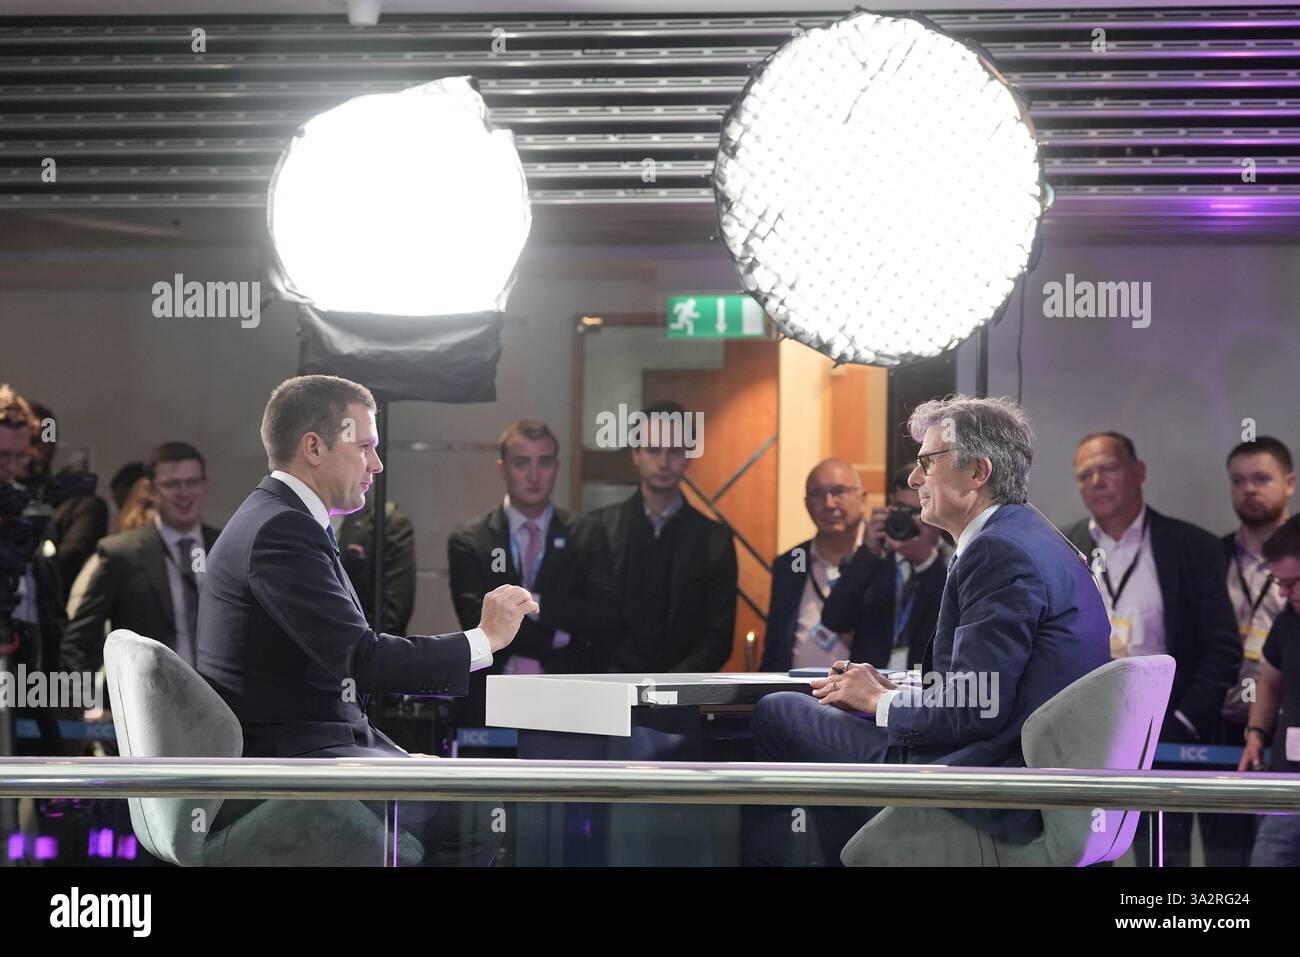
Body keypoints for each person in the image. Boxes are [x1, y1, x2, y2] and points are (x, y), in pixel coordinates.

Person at [745, 395, 1109, 866]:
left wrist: (880, 701)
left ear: (978, 472)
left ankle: (867, 851)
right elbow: (990, 687)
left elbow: (976, 709)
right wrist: (897, 691)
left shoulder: (998, 551)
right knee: (813, 693)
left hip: (985, 775)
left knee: (778, 712)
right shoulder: (1030, 534)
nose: (914, 480)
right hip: (1007, 759)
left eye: (926, 463)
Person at [197, 374, 535, 864]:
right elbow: (364, 659)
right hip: (288, 764)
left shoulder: (277, 515)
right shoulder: (280, 528)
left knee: (464, 798)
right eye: (366, 447)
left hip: (311, 750)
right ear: (314, 446)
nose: (377, 464)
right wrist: (484, 639)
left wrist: (397, 761)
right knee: (473, 810)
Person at [1064, 431, 1241, 866]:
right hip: (1090, 735)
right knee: (1086, 850)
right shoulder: (1063, 549)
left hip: (1175, 732)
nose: (1096, 481)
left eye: (1108, 468)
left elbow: (1222, 648)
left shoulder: (1192, 547)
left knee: (1169, 854)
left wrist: (1182, 722)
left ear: (1139, 472)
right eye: (1085, 475)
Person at [448, 419, 618, 726]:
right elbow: (478, 622)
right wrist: (560, 635)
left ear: (557, 467)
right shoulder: (470, 539)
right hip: (490, 699)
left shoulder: (587, 533)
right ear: (502, 468)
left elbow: (601, 617)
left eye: (545, 462)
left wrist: (533, 603)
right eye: (521, 463)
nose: (534, 475)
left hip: (572, 697)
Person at [590, 400, 737, 674]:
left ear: (689, 456)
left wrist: (675, 685)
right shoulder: (598, 528)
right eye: (653, 450)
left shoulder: (714, 539)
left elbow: (720, 634)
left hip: (683, 695)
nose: (664, 462)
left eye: (675, 451)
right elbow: (586, 617)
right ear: (636, 454)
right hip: (607, 686)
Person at [1205, 438, 1293, 864]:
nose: (1249, 490)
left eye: (1261, 478)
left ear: (1290, 483)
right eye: (1239, 481)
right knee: (1225, 851)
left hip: (1286, 727)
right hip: (1223, 720)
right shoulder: (1211, 554)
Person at [62, 442, 221, 674]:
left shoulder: (224, 546)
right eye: (172, 484)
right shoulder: (120, 553)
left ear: (205, 485)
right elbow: (77, 641)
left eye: (192, 482)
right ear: (150, 489)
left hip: (219, 700)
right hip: (145, 699)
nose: (184, 493)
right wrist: (81, 703)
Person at [820, 465, 946, 672]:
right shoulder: (872, 560)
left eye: (919, 511)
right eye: (902, 510)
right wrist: (869, 551)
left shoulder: (955, 560)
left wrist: (925, 560)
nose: (910, 520)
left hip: (928, 688)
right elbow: (834, 620)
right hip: (868, 684)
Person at [0, 385, 67, 754]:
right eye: (1, 456)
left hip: (25, 677)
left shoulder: (22, 513)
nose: (10, 468)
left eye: (17, 456)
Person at [762, 459, 867, 672]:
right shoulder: (791, 562)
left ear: (862, 499)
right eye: (818, 495)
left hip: (867, 697)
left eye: (839, 492)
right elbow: (775, 644)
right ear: (807, 504)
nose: (829, 504)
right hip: (797, 694)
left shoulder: (883, 557)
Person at [1238, 516, 1300, 866]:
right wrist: (1256, 733)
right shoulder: (1288, 619)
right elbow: (1269, 681)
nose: (1283, 593)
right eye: (1279, 582)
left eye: (1292, 583)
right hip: (1287, 782)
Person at [16, 401, 109, 602]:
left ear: (52, 445)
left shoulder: (81, 502)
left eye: (38, 440)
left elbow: (66, 566)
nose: (28, 452)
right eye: (21, 441)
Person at [335, 495, 417, 636]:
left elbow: (392, 619)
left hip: (361, 650)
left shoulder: (385, 523)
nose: (375, 471)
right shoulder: (292, 514)